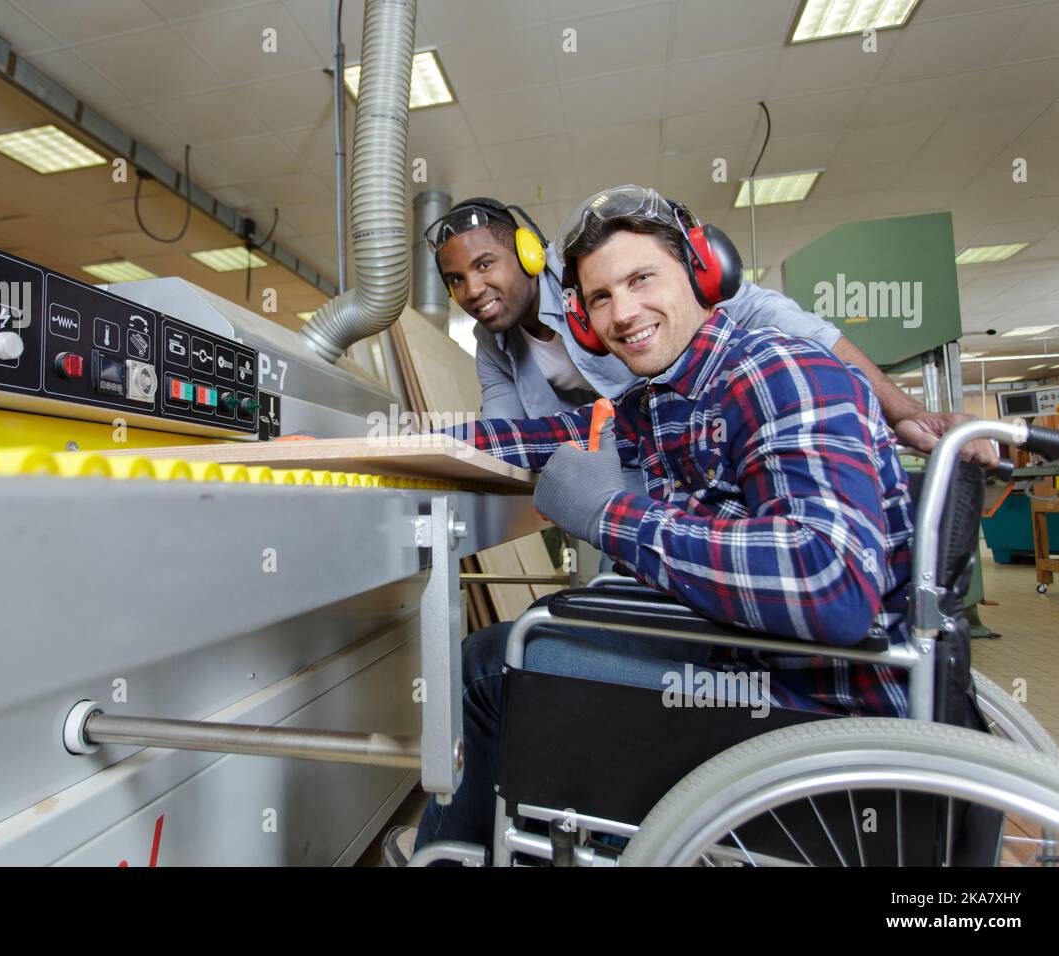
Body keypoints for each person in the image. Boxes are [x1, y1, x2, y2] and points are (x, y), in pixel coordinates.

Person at [386, 186, 917, 865]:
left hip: (805, 711)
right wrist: (371, 444)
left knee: (492, 663)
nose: (623, 313)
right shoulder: (666, 395)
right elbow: (536, 434)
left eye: (642, 280)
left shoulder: (778, 370)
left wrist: (613, 517)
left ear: (702, 275)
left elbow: (829, 587)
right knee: (530, 639)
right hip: (740, 658)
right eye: (600, 298)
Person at [426, 197, 997, 466]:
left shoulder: (589, 274)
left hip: (693, 445)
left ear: (528, 254)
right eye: (455, 280)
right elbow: (513, 432)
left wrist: (902, 411)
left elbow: (777, 317)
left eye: (483, 266)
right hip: (636, 446)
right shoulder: (491, 344)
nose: (471, 290)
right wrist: (418, 448)